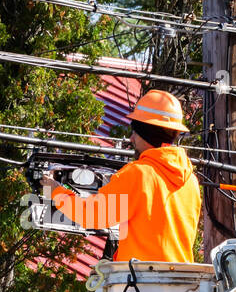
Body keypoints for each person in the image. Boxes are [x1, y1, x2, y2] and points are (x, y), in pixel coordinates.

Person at [43, 89, 201, 263]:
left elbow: (93, 215)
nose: (132, 138)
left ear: (146, 133)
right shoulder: (190, 181)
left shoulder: (138, 174)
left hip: (143, 283)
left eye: (135, 131)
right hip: (182, 283)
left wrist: (56, 192)